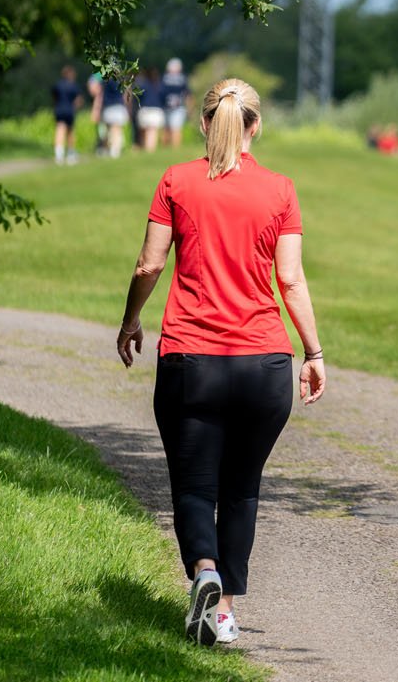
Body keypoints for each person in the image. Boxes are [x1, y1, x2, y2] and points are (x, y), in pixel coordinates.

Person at [116, 78, 327, 646]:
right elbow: (290, 279)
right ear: (256, 126)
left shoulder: (177, 181)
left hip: (192, 361)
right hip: (264, 365)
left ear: (203, 123)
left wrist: (131, 320)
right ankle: (225, 609)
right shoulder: (280, 190)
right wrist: (313, 352)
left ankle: (204, 572)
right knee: (241, 488)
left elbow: (148, 265)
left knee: (194, 487)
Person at [51, 65, 84, 164]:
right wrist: (75, 107)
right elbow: (79, 100)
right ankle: (70, 153)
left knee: (59, 130)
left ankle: (59, 154)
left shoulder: (58, 85)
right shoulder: (73, 85)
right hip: (69, 110)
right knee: (70, 132)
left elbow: (54, 97)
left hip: (59, 110)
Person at [93, 72, 130, 157]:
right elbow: (125, 96)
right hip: (119, 108)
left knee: (109, 130)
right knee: (117, 130)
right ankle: (114, 150)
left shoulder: (105, 82)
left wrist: (97, 109)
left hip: (108, 108)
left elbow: (100, 95)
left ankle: (107, 149)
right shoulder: (121, 81)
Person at [161, 59, 191, 149]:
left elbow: (187, 94)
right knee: (169, 129)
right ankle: (170, 148)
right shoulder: (181, 78)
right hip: (169, 107)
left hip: (176, 107)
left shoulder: (165, 78)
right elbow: (188, 94)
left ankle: (173, 148)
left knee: (174, 128)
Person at [135, 67, 165, 151]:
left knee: (145, 131)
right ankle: (150, 149)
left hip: (145, 110)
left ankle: (146, 148)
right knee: (152, 131)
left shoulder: (143, 85)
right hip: (156, 110)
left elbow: (138, 97)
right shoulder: (160, 86)